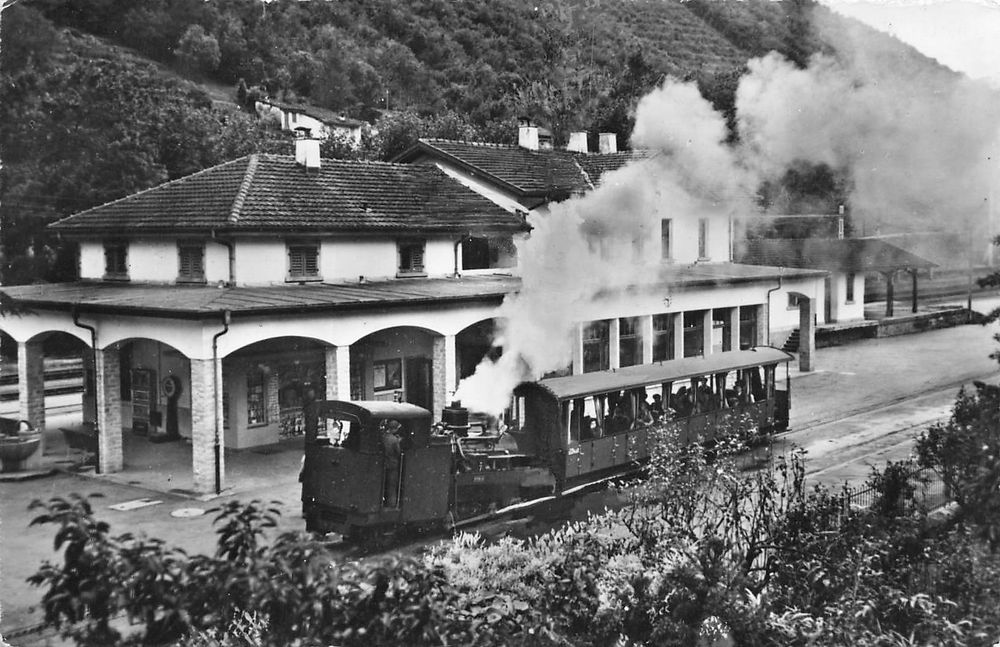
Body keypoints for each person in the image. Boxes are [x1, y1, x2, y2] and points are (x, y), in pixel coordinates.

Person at [380, 419, 402, 507]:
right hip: (392, 465)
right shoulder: (394, 440)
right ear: (394, 429)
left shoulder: (383, 436)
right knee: (392, 486)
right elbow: (398, 452)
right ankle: (391, 505)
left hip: (384, 464)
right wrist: (398, 441)